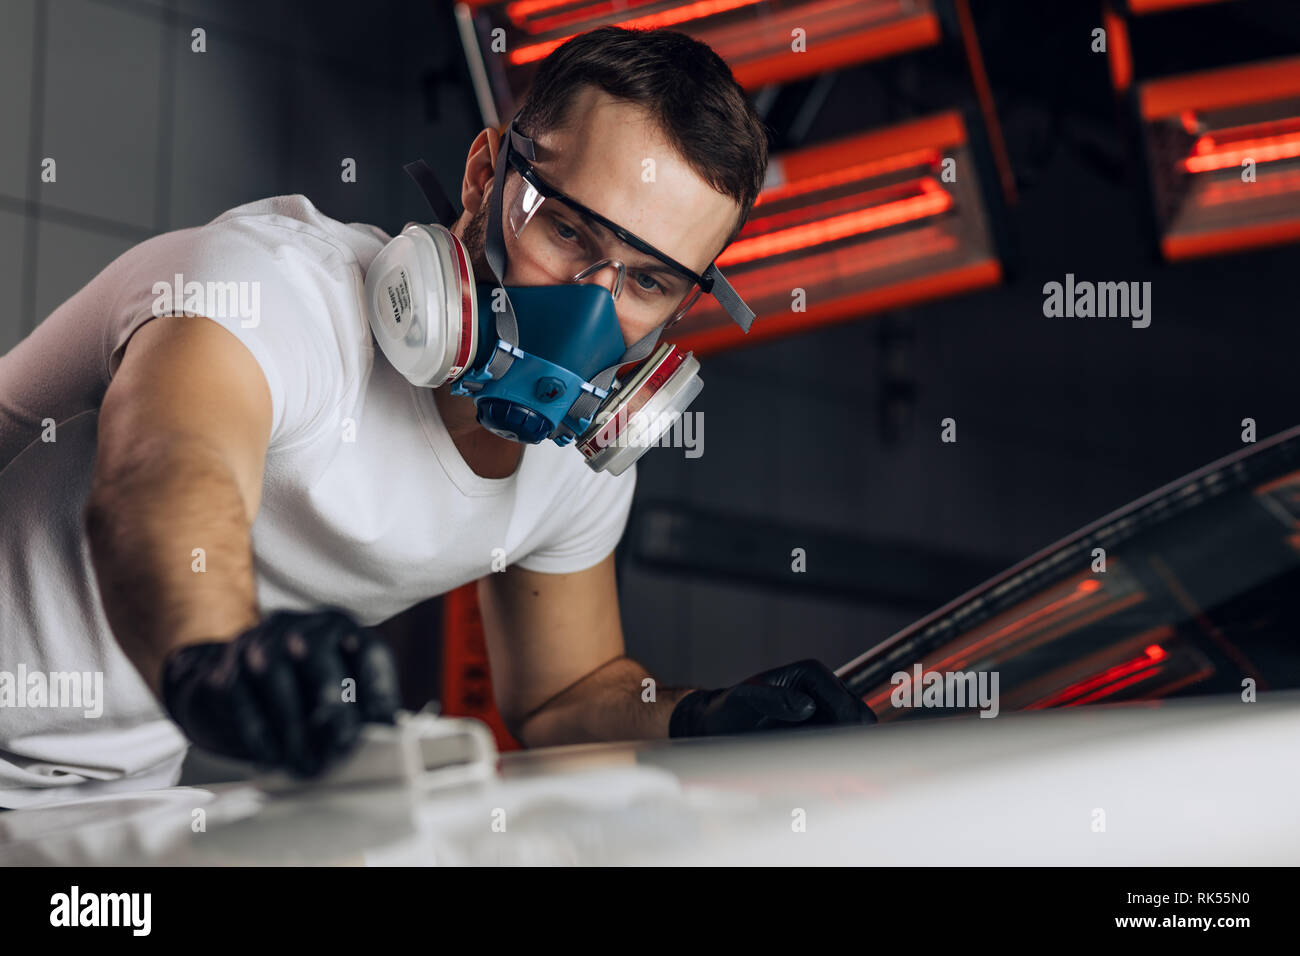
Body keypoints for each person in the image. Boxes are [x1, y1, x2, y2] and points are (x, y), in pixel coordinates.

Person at [0, 26, 872, 810]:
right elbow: (164, 477)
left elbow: (565, 695)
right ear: (487, 176)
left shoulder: (574, 467)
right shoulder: (271, 289)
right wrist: (217, 651)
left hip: (99, 799)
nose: (592, 314)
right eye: (568, 233)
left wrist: (703, 720)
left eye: (649, 282)